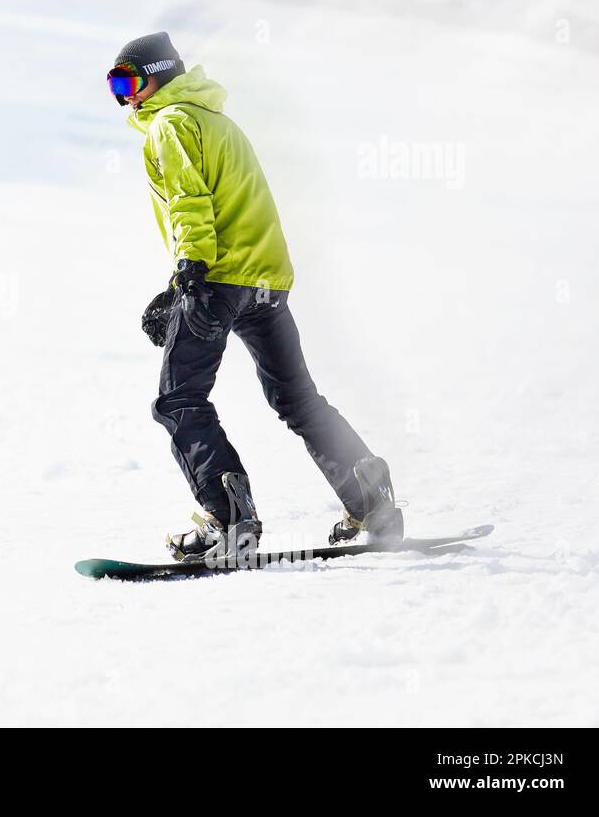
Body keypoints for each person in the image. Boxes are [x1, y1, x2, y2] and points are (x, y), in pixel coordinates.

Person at [107, 31, 403, 561]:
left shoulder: (171, 124)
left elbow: (189, 202)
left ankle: (230, 520)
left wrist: (188, 271)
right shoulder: (221, 123)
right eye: (115, 85)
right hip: (266, 281)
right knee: (297, 399)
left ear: (158, 75)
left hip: (216, 279)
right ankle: (371, 500)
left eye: (128, 81)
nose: (125, 96)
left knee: (178, 400)